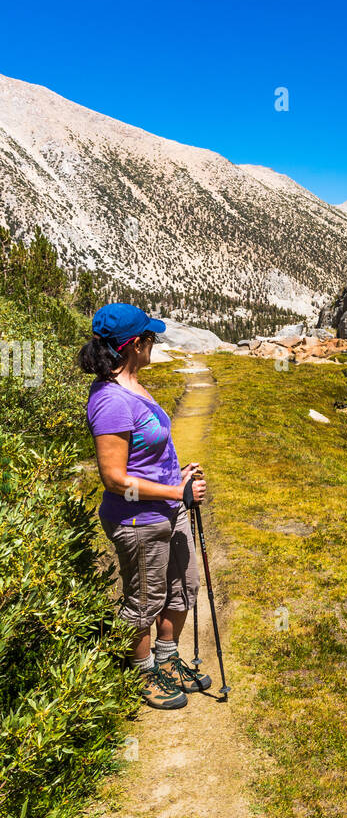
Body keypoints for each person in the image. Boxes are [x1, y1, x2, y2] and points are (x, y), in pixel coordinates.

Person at [78, 303, 211, 709]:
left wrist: (179, 475)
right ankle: (141, 672)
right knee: (145, 599)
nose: (153, 344)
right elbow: (115, 479)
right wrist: (176, 493)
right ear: (135, 345)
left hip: (168, 510)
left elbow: (148, 452)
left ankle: (168, 662)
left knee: (181, 588)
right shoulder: (111, 400)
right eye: (150, 338)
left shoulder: (135, 385)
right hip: (138, 518)